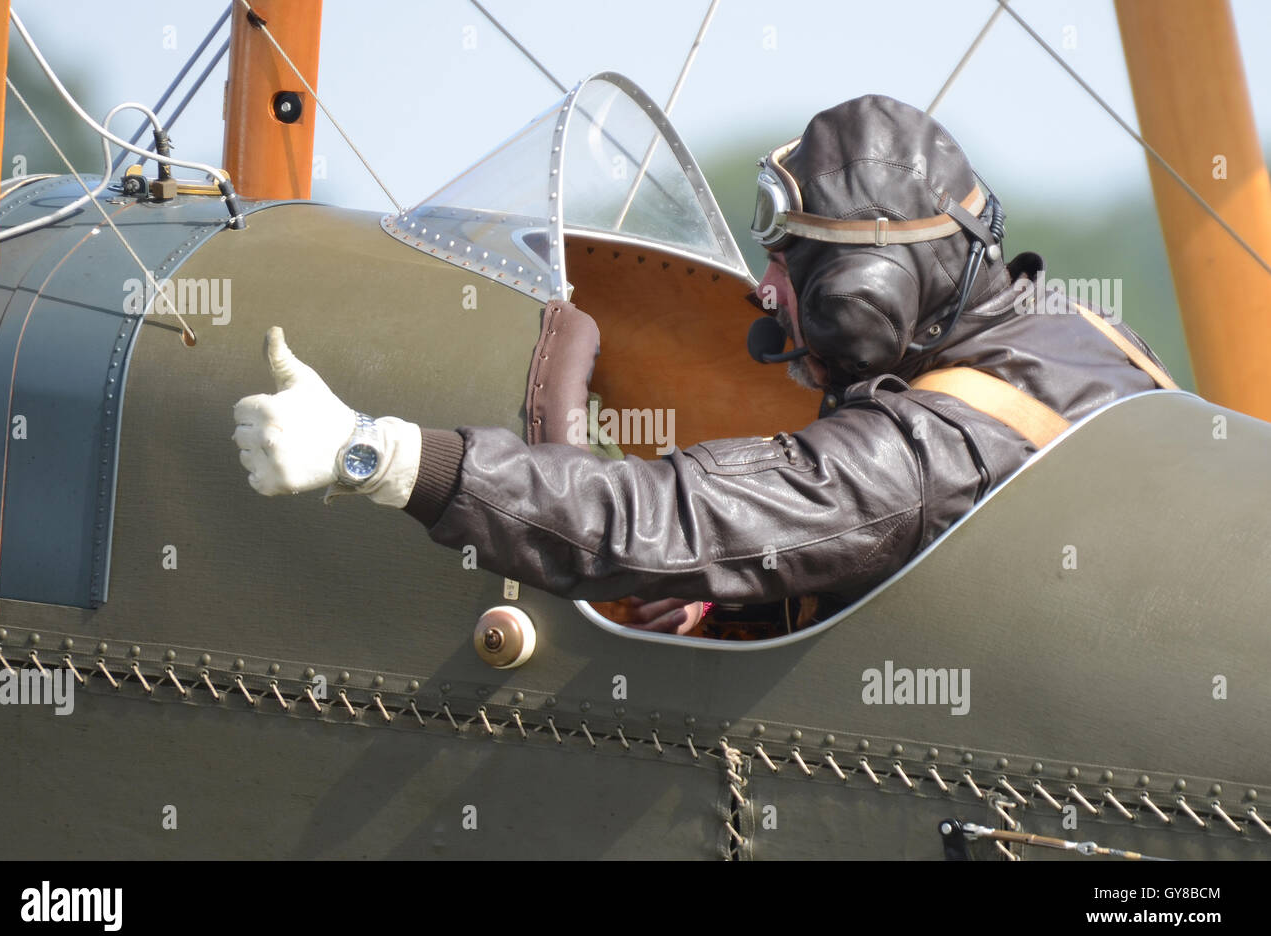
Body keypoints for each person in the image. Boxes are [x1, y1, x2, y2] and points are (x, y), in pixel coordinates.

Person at [232, 95, 1176, 635]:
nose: (764, 287)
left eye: (790, 261)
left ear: (868, 298)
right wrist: (739, 602)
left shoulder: (928, 452)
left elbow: (664, 514)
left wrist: (379, 454)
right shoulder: (1077, 334)